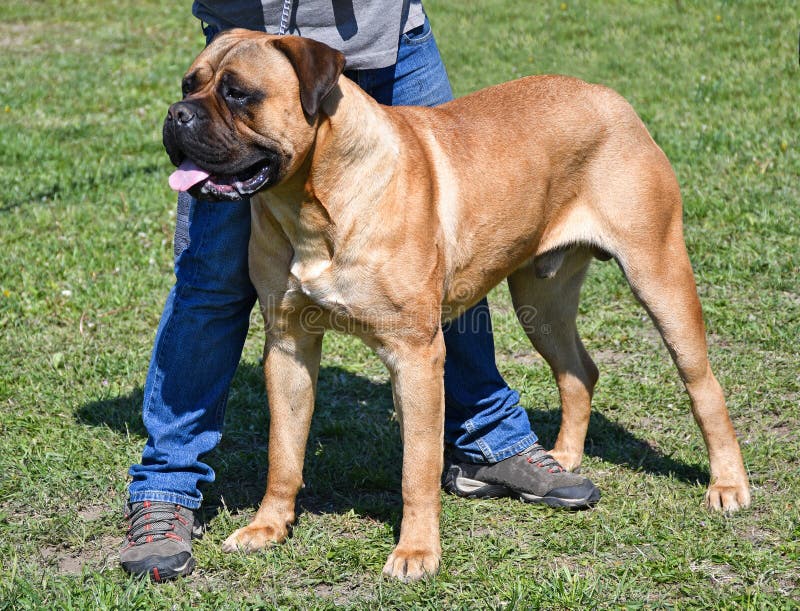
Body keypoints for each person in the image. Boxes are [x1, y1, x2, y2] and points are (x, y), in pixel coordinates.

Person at [121, 0, 600, 582]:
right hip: (246, 24)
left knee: (447, 284)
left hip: (388, 36)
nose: (190, 112)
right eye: (193, 92)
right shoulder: (244, 68)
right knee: (211, 284)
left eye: (236, 99)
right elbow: (288, 348)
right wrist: (236, 96)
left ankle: (485, 444)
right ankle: (172, 484)